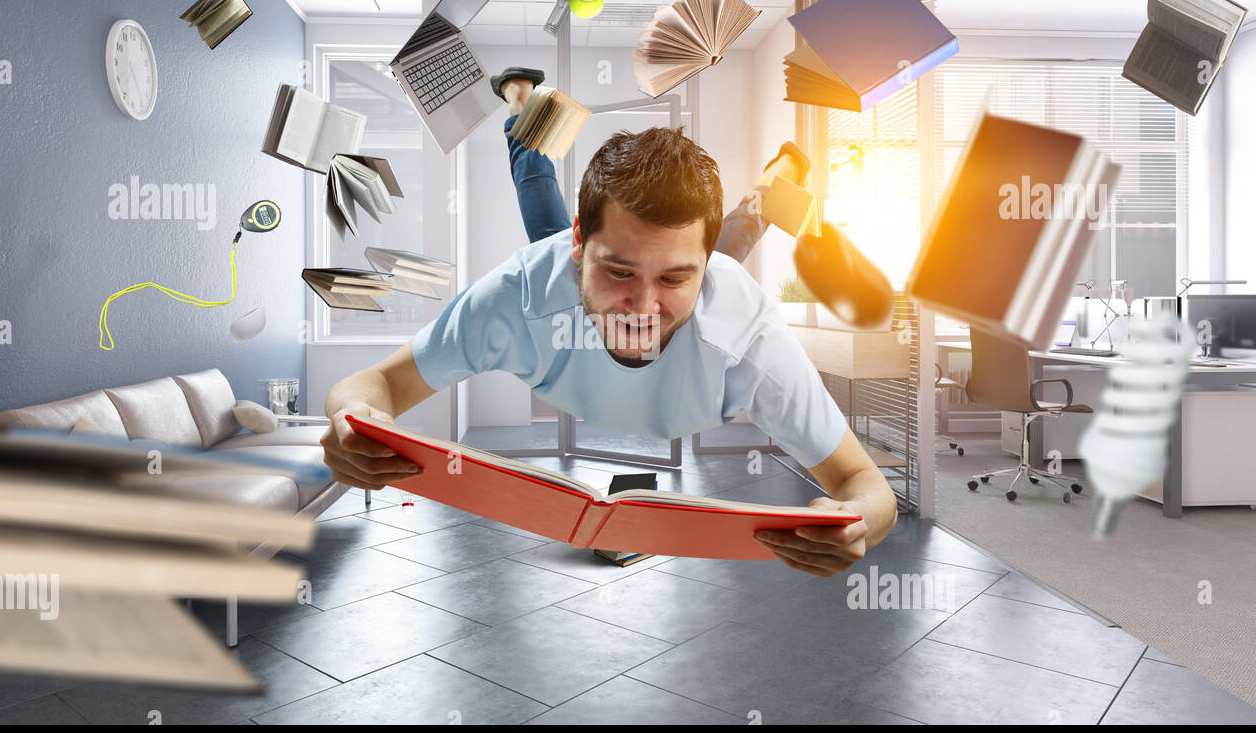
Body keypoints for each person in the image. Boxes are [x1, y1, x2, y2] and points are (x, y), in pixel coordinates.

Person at [320, 71, 898, 578]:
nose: (642, 306)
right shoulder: (517, 299)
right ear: (580, 245)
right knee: (538, 200)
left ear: (703, 268)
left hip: (697, 284)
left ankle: (779, 175)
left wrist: (853, 524)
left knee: (743, 228)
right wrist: (351, 420)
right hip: (563, 275)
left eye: (675, 278)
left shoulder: (747, 336)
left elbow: (866, 487)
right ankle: (522, 102)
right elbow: (377, 384)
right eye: (620, 270)